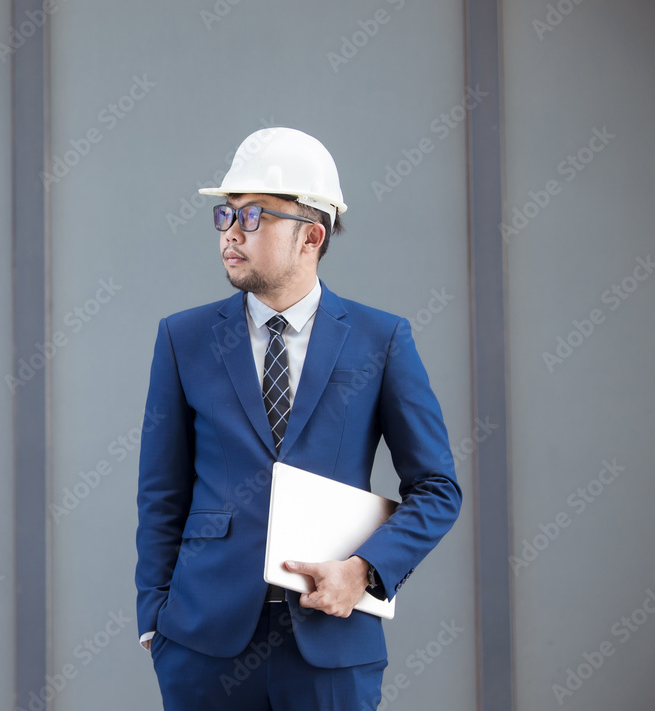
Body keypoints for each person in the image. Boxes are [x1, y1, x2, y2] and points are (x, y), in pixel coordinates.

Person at [134, 127, 463, 710]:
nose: (232, 232)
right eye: (227, 214)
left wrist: (364, 571)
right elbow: (162, 493)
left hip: (331, 644)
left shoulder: (380, 340)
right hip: (201, 646)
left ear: (312, 235)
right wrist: (155, 621)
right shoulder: (182, 338)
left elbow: (437, 489)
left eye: (255, 216)